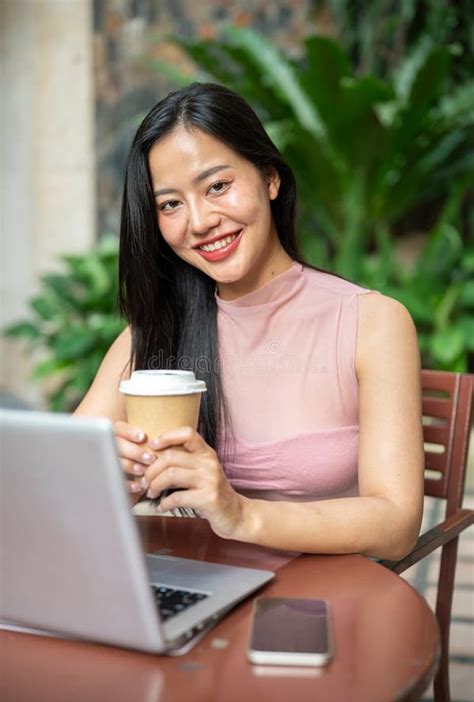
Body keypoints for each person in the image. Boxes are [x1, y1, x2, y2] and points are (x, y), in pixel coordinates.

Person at [74, 83, 424, 559]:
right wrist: (113, 479)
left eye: (218, 186)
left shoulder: (373, 322)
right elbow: (65, 485)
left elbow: (397, 524)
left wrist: (240, 514)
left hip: (326, 604)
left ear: (270, 179)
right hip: (199, 591)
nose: (199, 221)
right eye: (170, 204)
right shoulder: (157, 331)